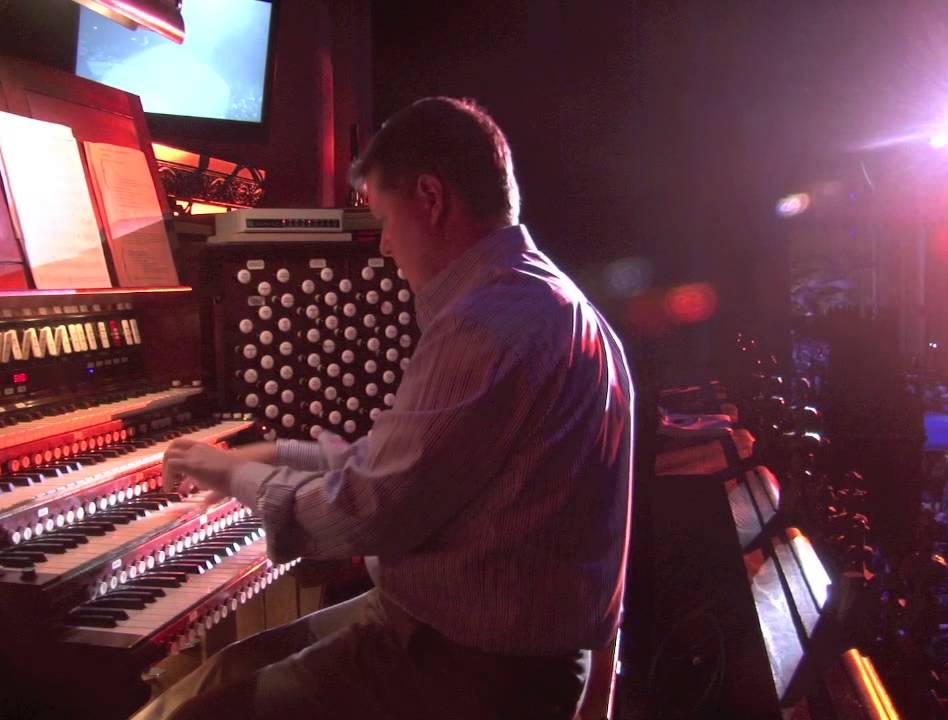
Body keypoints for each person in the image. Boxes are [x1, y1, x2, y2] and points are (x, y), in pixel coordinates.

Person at [132, 97, 635, 720]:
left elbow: (369, 510)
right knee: (225, 668)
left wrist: (238, 476)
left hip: (472, 669)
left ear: (431, 198)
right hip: (477, 639)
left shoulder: (488, 324)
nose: (387, 247)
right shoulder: (544, 298)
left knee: (187, 714)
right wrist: (275, 454)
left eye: (386, 220)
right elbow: (405, 462)